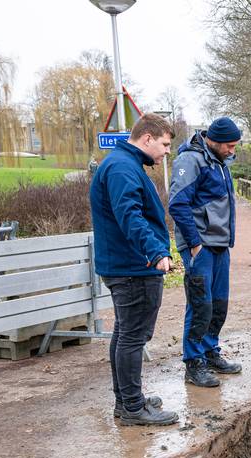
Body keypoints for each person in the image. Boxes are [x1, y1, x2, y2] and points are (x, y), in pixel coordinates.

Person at [89, 113, 179, 426]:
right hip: (132, 266)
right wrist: (155, 251)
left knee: (126, 333)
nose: (167, 152)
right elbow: (130, 215)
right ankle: (131, 407)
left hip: (127, 264)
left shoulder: (123, 163)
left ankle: (127, 400)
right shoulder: (122, 168)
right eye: (164, 144)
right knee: (133, 336)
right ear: (147, 138)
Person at [168, 117, 243, 388]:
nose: (232, 151)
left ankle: (211, 352)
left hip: (220, 244)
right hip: (200, 246)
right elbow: (177, 203)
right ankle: (194, 363)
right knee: (201, 304)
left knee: (219, 304)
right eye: (229, 146)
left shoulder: (220, 161)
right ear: (215, 140)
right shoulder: (191, 160)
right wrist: (194, 243)